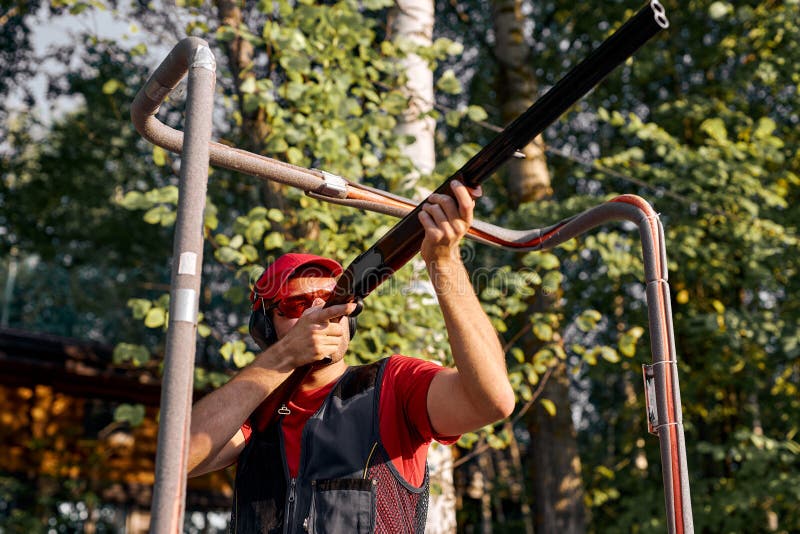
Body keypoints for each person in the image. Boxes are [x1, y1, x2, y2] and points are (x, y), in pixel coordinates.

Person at [187, 180, 515, 533]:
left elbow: (492, 401)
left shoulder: (393, 385)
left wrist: (444, 262)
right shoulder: (255, 415)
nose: (320, 312)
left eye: (333, 300)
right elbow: (176, 458)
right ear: (266, 328)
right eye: (298, 305)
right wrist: (282, 358)